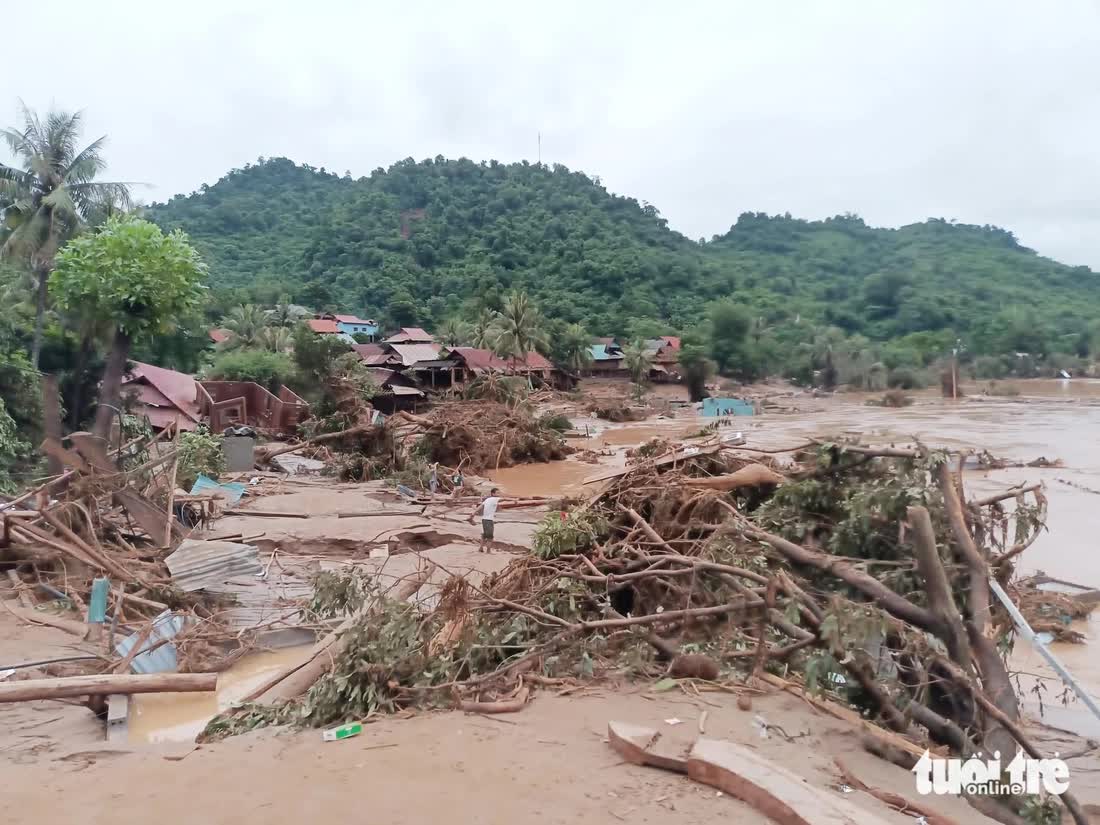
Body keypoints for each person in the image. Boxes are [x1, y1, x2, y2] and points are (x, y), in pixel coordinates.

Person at [469, 487, 501, 553]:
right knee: (490, 536)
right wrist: (515, 500)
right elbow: (504, 498)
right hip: (489, 520)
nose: (499, 494)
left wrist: (473, 514)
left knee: (484, 535)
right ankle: (488, 551)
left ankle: (481, 548)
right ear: (493, 493)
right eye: (497, 493)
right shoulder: (495, 499)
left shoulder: (487, 500)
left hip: (484, 519)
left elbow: (480, 507)